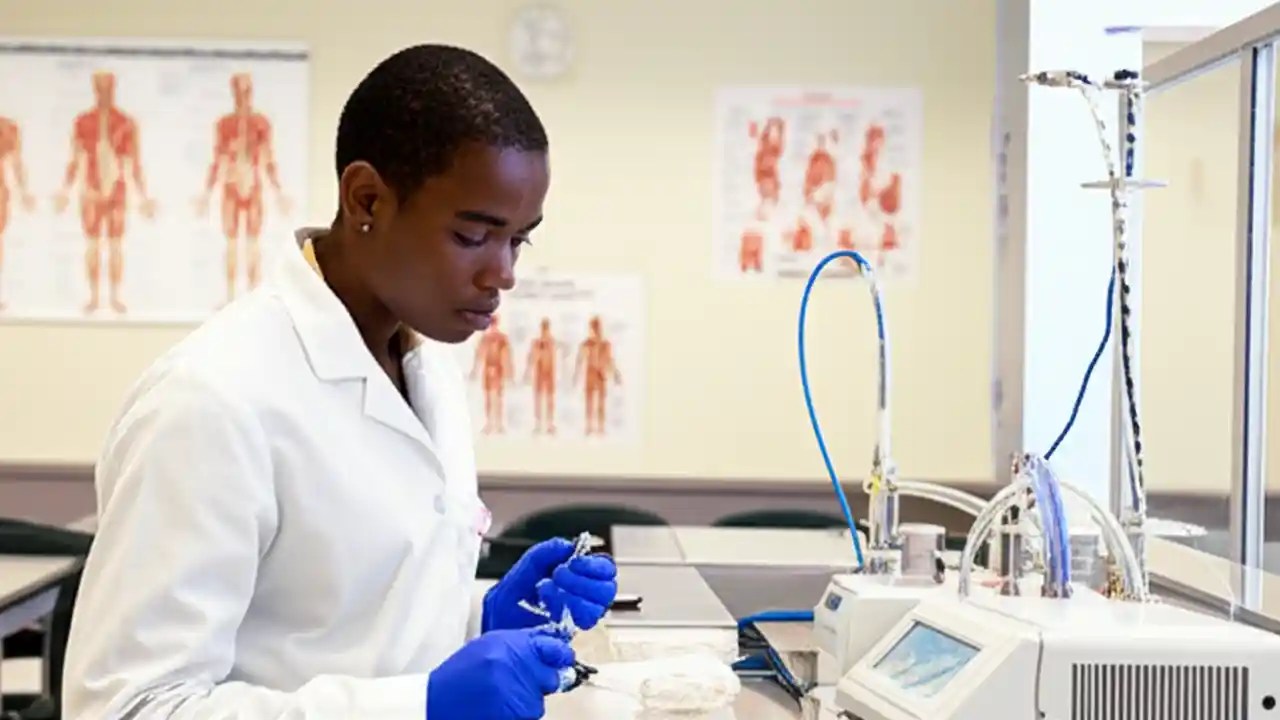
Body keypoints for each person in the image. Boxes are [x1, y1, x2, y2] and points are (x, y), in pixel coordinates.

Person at [61, 44, 618, 720]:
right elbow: (130, 707)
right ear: (367, 199)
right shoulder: (211, 400)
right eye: (474, 236)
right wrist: (421, 704)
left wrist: (482, 616)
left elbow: (346, 627)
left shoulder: (424, 365)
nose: (502, 273)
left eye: (519, 240)